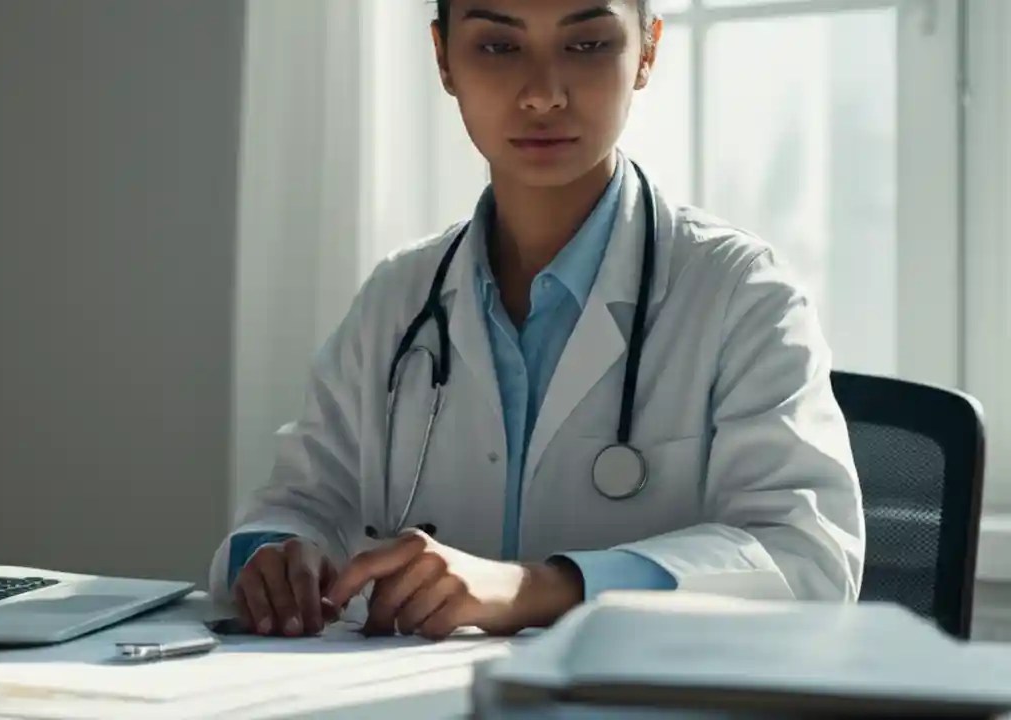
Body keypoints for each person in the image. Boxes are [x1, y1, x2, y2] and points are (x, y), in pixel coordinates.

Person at [209, 0, 865, 641]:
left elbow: (804, 558)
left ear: (648, 51)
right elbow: (297, 504)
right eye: (498, 46)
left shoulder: (742, 295)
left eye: (586, 45)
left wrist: (537, 590)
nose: (543, 94)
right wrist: (275, 556)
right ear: (443, 59)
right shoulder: (397, 299)